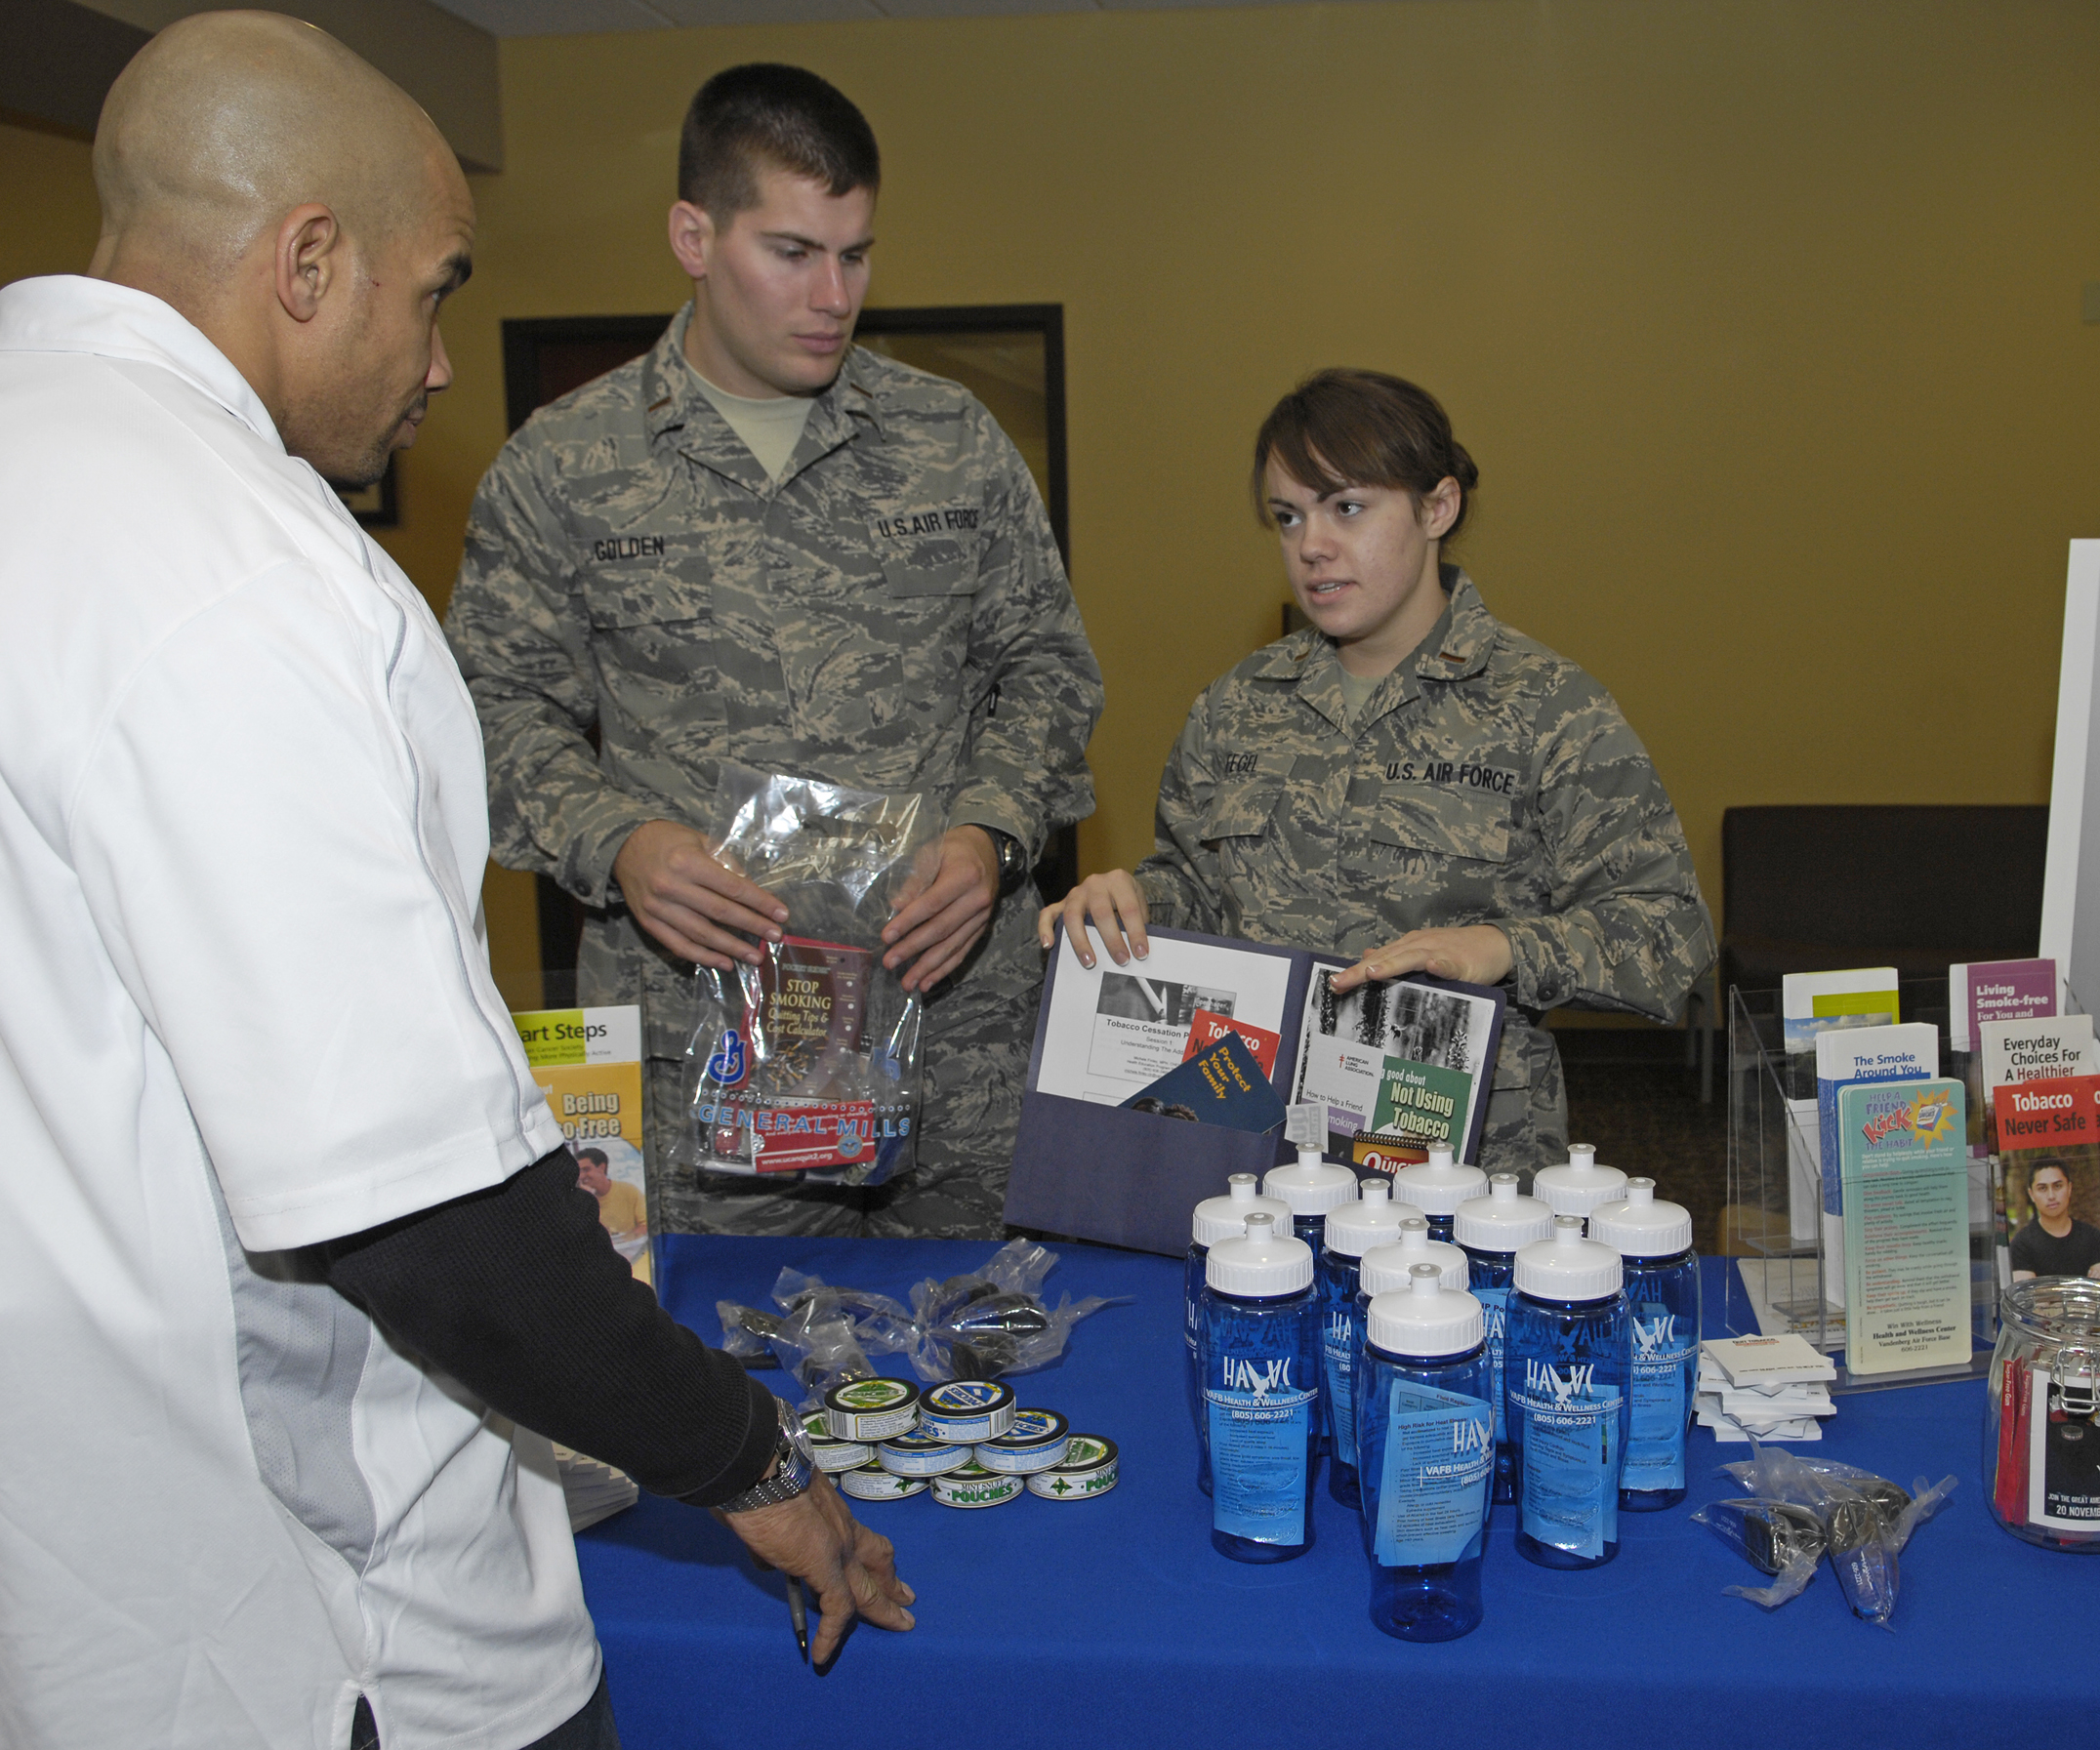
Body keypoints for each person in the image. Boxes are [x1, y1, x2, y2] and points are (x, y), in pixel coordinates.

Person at [0, 19, 911, 1748]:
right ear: (308, 259)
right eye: (429, 296)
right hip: (310, 1614)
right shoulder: (236, 572)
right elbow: (410, 1200)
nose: (437, 364)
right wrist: (745, 1457)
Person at [448, 63, 1101, 1241]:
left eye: (856, 255)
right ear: (693, 236)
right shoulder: (567, 466)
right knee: (732, 1382)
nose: (833, 294)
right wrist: (622, 841)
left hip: (957, 1026)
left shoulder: (951, 442)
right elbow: (489, 711)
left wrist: (992, 827)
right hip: (713, 1038)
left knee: (998, 1370)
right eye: (793, 252)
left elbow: (1047, 671)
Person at [1041, 369, 1712, 1173]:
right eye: (1288, 518)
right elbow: (1197, 888)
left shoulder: (1549, 709)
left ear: (1438, 507)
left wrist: (1504, 946)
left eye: (1346, 507)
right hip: (1254, 1155)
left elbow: (1671, 932)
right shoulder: (1235, 707)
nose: (1310, 545)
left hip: (1460, 1176)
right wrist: (1134, 901)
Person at [2006, 1156, 2100, 1282]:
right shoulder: (2021, 1245)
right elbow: (2028, 1299)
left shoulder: (2094, 1238)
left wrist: (2047, 1294)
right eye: (2042, 1188)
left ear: (2069, 1188)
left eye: (2057, 1186)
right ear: (2031, 1194)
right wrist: (2084, 1287)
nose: (2051, 1196)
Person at [577, 1146, 649, 1246]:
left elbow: (645, 1225)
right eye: (579, 1171)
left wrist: (624, 1241)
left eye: (586, 1169)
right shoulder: (578, 1200)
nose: (581, 1176)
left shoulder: (629, 1191)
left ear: (602, 1167)